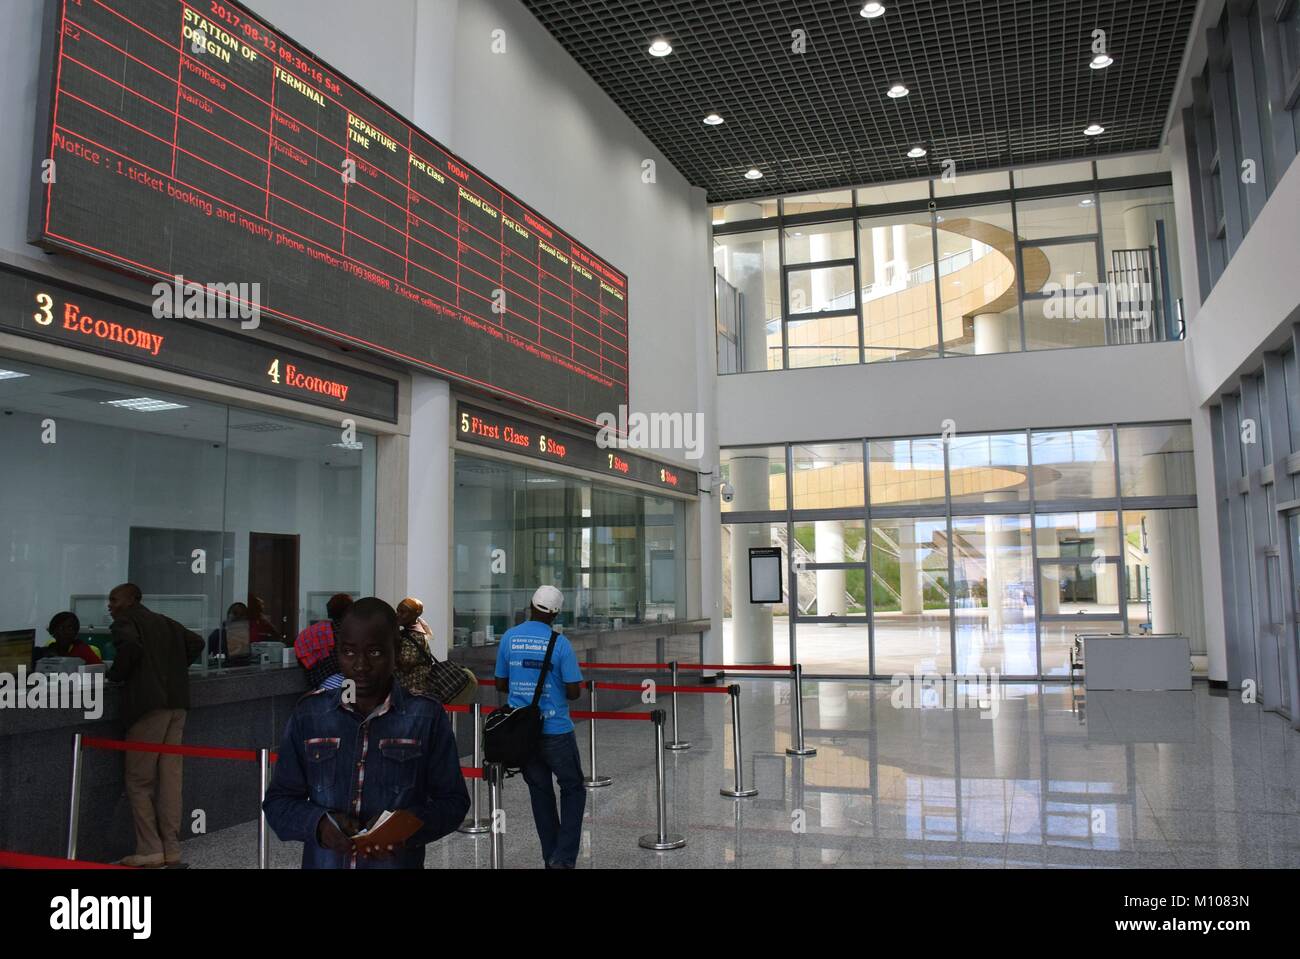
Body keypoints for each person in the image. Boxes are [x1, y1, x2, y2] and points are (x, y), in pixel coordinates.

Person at [263, 597, 470, 869]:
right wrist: (319, 823)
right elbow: (279, 802)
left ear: (396, 651)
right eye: (349, 652)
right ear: (338, 652)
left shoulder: (426, 716)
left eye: (374, 652)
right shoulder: (310, 715)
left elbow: (453, 803)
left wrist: (404, 827)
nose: (360, 666)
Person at [104, 583, 204, 868]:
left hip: (148, 708)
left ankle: (149, 848)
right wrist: (173, 669)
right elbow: (196, 642)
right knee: (170, 779)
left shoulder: (127, 620)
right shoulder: (164, 621)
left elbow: (131, 647)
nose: (110, 605)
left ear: (132, 599)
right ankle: (172, 849)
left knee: (139, 781)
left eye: (114, 599)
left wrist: (117, 674)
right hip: (177, 705)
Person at [494, 585, 586, 869]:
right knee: (572, 788)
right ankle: (564, 858)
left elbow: (500, 683)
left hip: (523, 733)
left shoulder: (509, 637)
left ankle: (551, 856)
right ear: (556, 614)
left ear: (530, 605)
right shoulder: (559, 643)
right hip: (556, 729)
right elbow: (573, 692)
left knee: (540, 792)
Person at [294, 593, 351, 690]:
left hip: (318, 681)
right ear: (349, 611)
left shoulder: (317, 630)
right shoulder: (344, 632)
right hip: (338, 684)